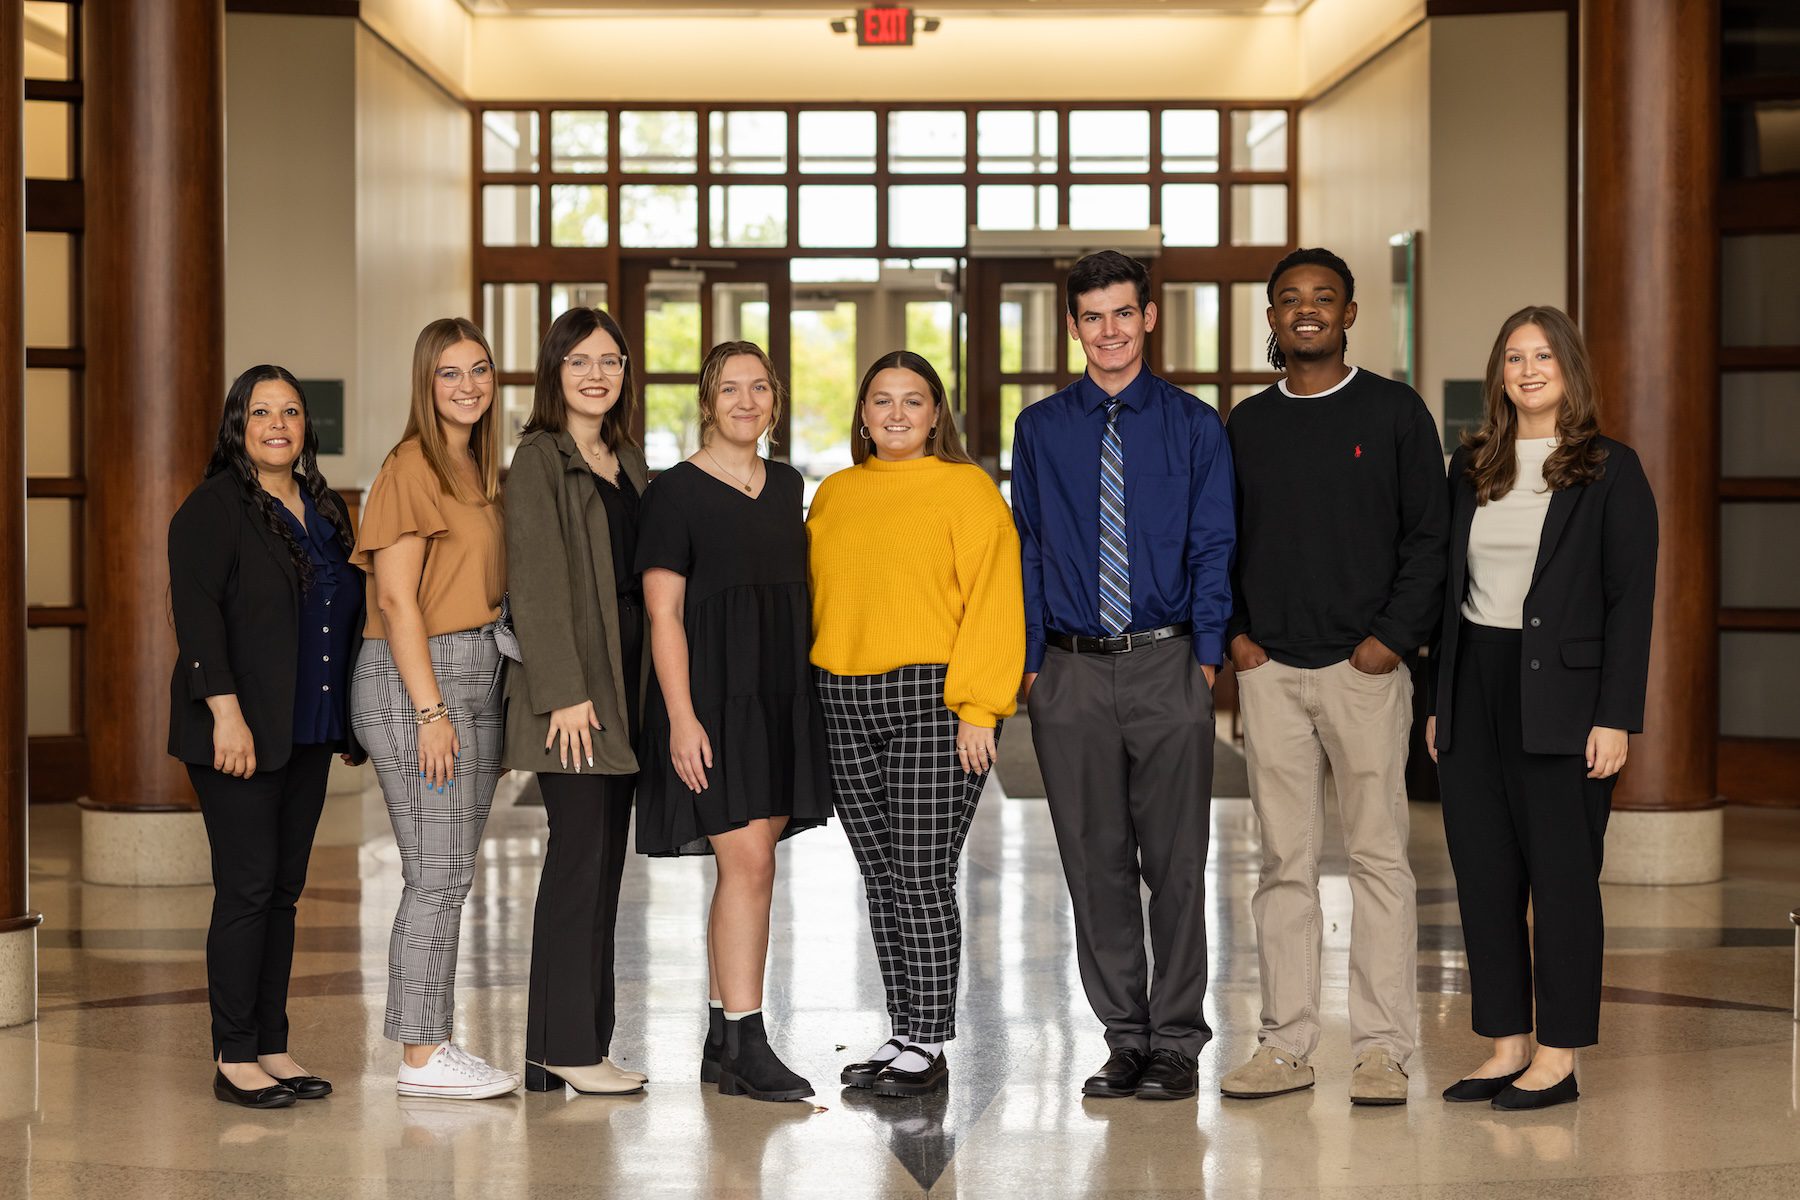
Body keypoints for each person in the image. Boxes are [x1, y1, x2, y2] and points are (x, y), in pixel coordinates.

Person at [1221, 247, 1448, 1106]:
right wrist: (1237, 637)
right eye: (1291, 299)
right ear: (1273, 318)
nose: (1307, 309)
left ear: (1350, 314)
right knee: (1283, 861)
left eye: (1324, 297)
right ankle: (1285, 1045)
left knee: (1379, 858)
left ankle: (1383, 1049)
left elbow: (1430, 538)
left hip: (1365, 671)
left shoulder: (1394, 412)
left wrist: (1390, 640)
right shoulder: (1247, 424)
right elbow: (1221, 540)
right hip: (1271, 670)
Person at [1012, 250, 1236, 1102]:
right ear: (1073, 326)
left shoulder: (1194, 425)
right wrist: (1034, 664)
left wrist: (1205, 658)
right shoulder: (1041, 429)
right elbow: (1029, 547)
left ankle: (1176, 1040)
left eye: (1122, 313)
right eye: (1092, 316)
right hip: (1070, 670)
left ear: (1149, 318)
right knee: (1093, 862)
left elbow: (1213, 544)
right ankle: (1125, 1037)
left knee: (1177, 863)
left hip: (1167, 661)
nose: (1108, 330)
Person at [1427, 305, 1656, 1111]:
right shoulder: (1472, 465)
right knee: (1484, 876)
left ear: (1569, 370)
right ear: (1500, 373)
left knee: (1562, 884)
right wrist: (1440, 701)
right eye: (1514, 357)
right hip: (1474, 688)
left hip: (1565, 700)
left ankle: (1558, 1057)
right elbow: (1449, 594)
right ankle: (1506, 1045)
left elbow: (1631, 602)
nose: (1528, 371)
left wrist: (1615, 716)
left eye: (1543, 357)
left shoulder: (1610, 468)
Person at [808, 350, 1024, 1098]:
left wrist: (980, 707)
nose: (896, 413)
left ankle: (928, 1041)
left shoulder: (967, 490)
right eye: (881, 400)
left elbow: (996, 599)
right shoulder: (834, 494)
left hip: (935, 701)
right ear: (863, 415)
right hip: (843, 698)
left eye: (913, 400)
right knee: (881, 876)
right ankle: (903, 1030)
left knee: (923, 874)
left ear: (936, 415)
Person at [636, 340, 833, 1103]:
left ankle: (723, 1039)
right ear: (706, 402)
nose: (745, 402)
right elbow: (664, 614)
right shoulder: (674, 492)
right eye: (729, 389)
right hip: (714, 705)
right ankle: (750, 1044)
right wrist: (681, 717)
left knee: (747, 866)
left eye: (758, 388)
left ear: (775, 398)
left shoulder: (787, 484)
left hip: (780, 698)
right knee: (750, 865)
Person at [168, 365, 365, 1109]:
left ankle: (272, 1044)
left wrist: (350, 716)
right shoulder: (212, 508)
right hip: (239, 730)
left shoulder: (325, 506)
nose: (277, 424)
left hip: (308, 726)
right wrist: (226, 713)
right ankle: (235, 1054)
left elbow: (343, 613)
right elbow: (198, 620)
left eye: (290, 411)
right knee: (247, 890)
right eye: (260, 412)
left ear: (306, 425)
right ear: (237, 425)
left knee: (284, 893)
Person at [349, 317, 517, 1099]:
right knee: (437, 876)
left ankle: (433, 1042)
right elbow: (394, 598)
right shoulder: (411, 465)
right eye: (450, 373)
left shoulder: (473, 467)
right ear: (426, 382)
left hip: (474, 672)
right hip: (417, 680)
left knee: (450, 873)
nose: (467, 386)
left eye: (479, 370)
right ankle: (420, 1056)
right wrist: (430, 711)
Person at [503, 307, 651, 1097]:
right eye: (580, 361)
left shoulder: (625, 458)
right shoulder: (539, 458)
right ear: (554, 372)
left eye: (610, 361)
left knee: (599, 871)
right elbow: (535, 581)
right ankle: (568, 1046)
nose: (597, 375)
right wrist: (563, 692)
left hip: (625, 686)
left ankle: (564, 1047)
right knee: (578, 866)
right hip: (577, 693)